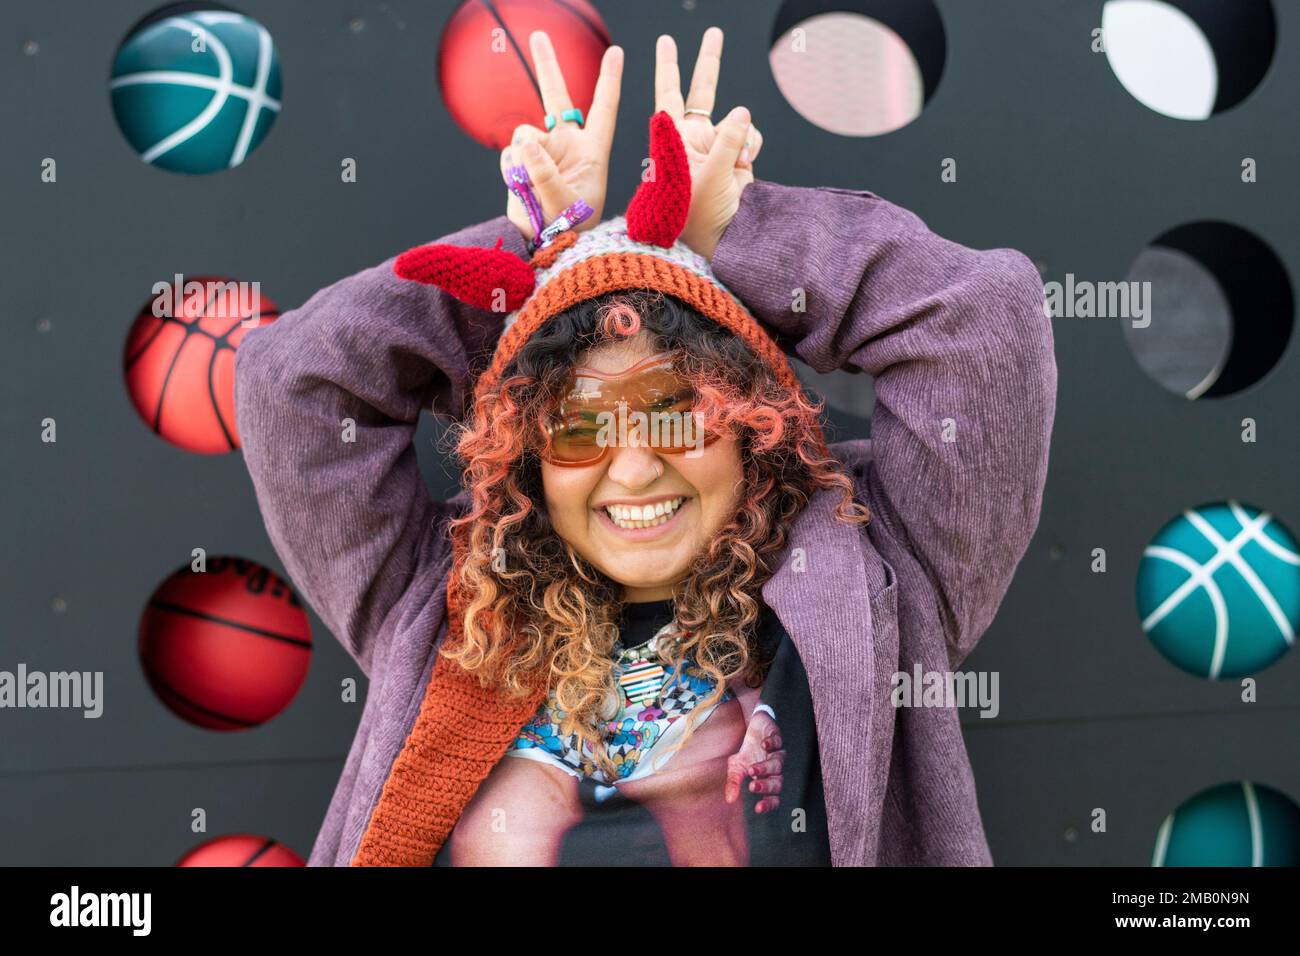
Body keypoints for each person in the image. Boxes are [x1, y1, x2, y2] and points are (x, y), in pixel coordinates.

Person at [234, 27, 1057, 867]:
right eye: (579, 427)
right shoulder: (446, 598)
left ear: (752, 423)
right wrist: (531, 250)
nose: (632, 468)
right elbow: (289, 381)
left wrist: (737, 233)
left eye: (677, 416)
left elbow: (982, 320)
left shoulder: (873, 571)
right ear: (527, 456)